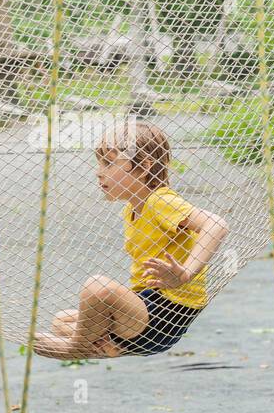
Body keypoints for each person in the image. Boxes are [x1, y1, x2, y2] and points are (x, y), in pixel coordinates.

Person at [33, 120, 229, 360]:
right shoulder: (131, 209)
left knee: (97, 287)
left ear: (144, 166)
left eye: (108, 163)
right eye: (99, 163)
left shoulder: (160, 201)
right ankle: (110, 348)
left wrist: (185, 273)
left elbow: (216, 225)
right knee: (62, 320)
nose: (98, 171)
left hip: (167, 312)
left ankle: (79, 348)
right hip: (142, 308)